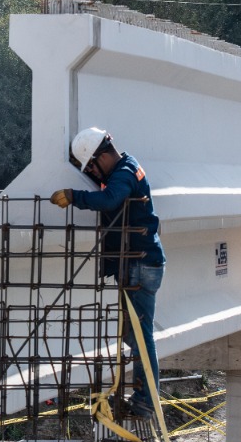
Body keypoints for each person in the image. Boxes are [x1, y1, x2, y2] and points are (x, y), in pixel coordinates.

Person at [51, 128, 166, 417]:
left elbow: (110, 200)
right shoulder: (127, 166)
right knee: (135, 335)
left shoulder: (124, 172)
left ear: (101, 156)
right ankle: (143, 398)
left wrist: (73, 195)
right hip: (138, 263)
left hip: (140, 265)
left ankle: (146, 402)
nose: (93, 174)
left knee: (140, 337)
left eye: (91, 167)